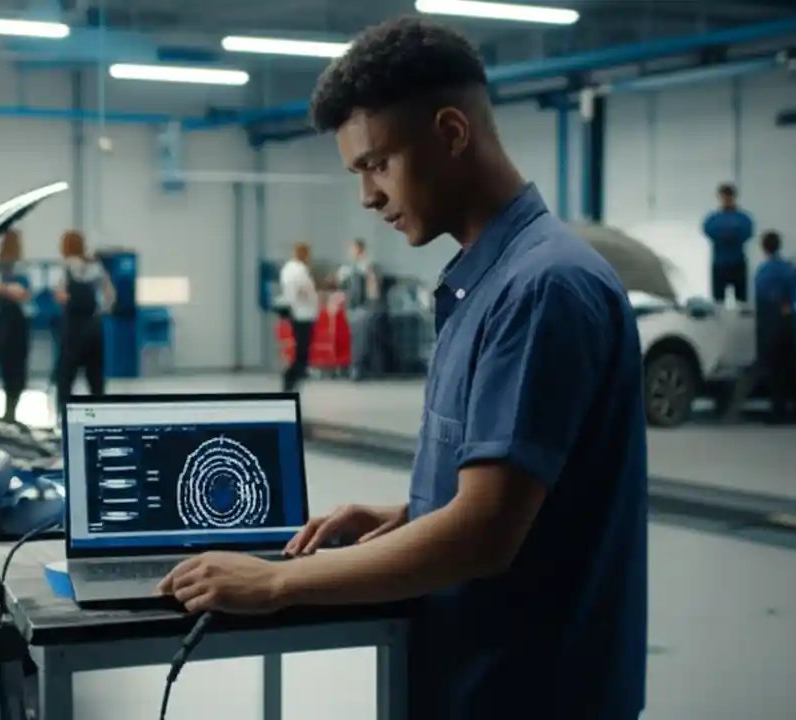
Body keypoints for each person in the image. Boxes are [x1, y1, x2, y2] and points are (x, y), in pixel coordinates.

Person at [157, 17, 648, 720]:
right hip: (478, 676)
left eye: (376, 164)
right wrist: (409, 513)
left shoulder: (541, 288)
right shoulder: (489, 281)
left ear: (451, 132)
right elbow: (529, 495)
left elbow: (484, 534)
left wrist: (278, 582)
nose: (367, 196)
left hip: (530, 689)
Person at [53, 230, 115, 417]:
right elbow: (110, 296)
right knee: (95, 376)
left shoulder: (65, 267)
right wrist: (99, 310)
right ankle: (99, 416)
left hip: (73, 328)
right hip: (94, 327)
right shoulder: (97, 266)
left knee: (65, 376)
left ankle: (63, 417)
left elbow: (60, 294)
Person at [754, 231, 796, 422]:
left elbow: (761, 298)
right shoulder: (790, 268)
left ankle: (778, 411)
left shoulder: (763, 272)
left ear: (764, 247)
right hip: (789, 322)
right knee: (791, 366)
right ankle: (795, 408)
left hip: (771, 324)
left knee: (775, 370)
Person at [0, 230, 33, 424]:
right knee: (15, 366)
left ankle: (11, 411)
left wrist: (5, 290)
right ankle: (10, 411)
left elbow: (23, 293)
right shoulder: (3, 268)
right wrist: (12, 290)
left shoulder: (10, 268)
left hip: (9, 320)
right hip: (14, 321)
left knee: (11, 365)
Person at [336, 238, 382, 380]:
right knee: (356, 339)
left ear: (360, 249)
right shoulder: (350, 268)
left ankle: (359, 369)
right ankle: (358, 368)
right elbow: (344, 286)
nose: (350, 252)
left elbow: (372, 285)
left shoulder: (367, 265)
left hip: (363, 307)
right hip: (353, 307)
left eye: (353, 249)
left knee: (361, 340)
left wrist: (372, 303)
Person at [703, 183, 755, 305]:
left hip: (738, 263)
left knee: (741, 302)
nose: (726, 200)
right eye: (724, 197)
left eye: (729, 197)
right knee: (718, 302)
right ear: (720, 198)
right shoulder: (713, 218)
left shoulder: (743, 218)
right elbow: (708, 231)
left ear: (734, 197)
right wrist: (725, 236)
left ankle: (741, 324)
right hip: (720, 263)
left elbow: (747, 232)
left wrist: (732, 236)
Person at [279, 242, 319, 393]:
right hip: (303, 314)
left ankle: (294, 377)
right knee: (302, 350)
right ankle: (292, 376)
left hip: (298, 312)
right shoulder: (299, 270)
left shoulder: (288, 269)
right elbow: (301, 290)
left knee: (301, 349)